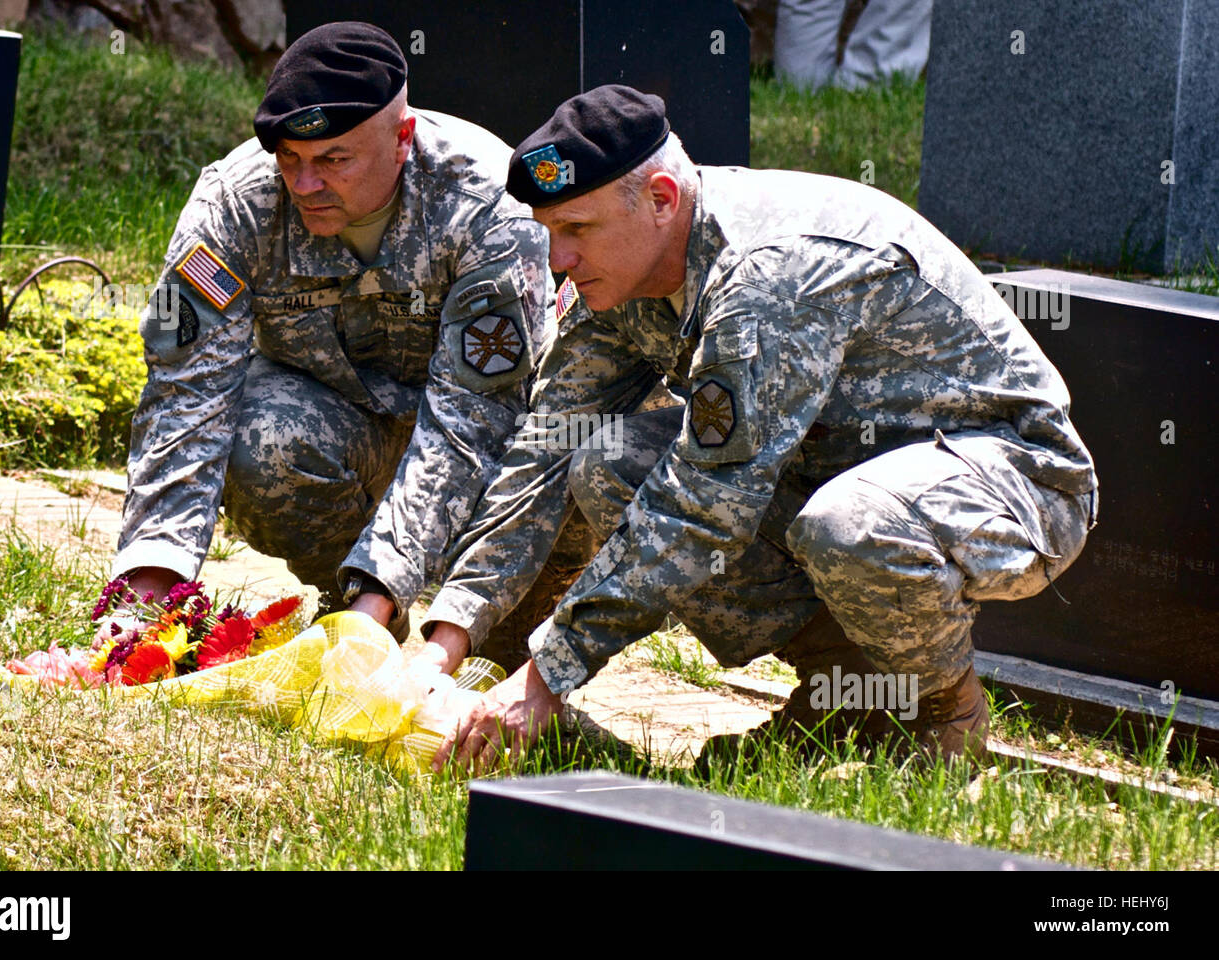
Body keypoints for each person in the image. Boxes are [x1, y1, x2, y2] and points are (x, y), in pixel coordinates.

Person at [421, 85, 1098, 773]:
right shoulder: (624, 272)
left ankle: (944, 714)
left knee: (849, 524)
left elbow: (705, 504)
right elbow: (545, 448)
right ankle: (846, 694)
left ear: (660, 198)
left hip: (1010, 474)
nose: (556, 258)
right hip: (827, 468)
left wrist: (544, 678)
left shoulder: (767, 275)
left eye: (576, 229)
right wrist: (446, 638)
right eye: (547, 232)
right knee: (605, 465)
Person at [111, 21, 596, 667]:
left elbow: (470, 421)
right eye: (290, 158)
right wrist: (148, 593)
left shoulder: (487, 206)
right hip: (339, 425)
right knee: (263, 440)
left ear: (402, 138)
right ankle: (355, 616)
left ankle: (508, 656)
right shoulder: (235, 203)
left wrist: (386, 584)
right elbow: (185, 395)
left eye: (334, 159)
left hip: (484, 444)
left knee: (584, 443)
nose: (304, 183)